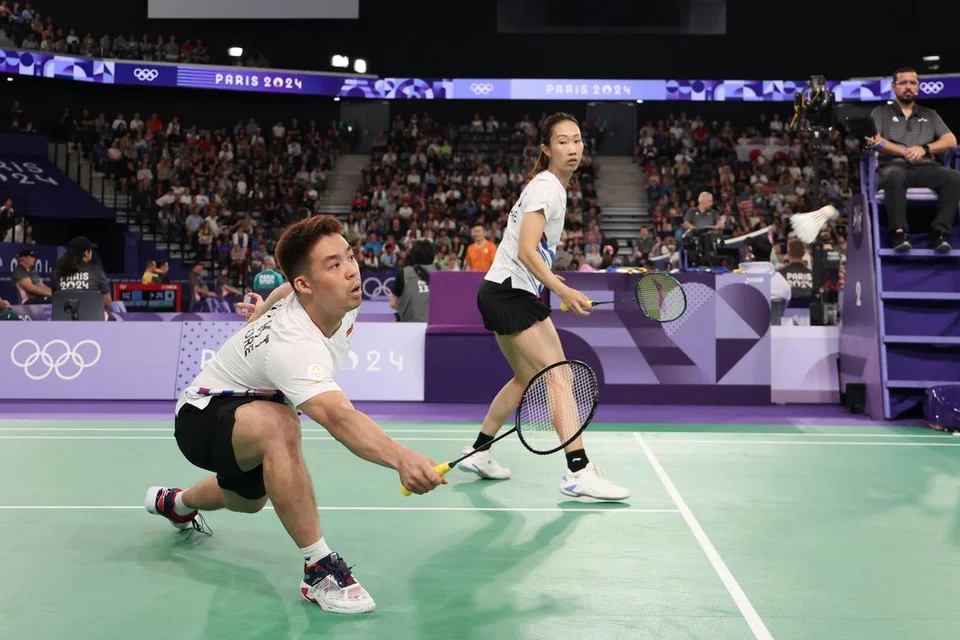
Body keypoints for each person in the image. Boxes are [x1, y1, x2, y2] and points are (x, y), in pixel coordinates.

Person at [145, 215, 446, 614]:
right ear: (309, 285)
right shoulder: (292, 344)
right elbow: (338, 418)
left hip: (249, 411)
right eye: (334, 265)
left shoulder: (334, 296)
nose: (352, 270)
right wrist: (402, 458)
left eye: (349, 257)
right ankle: (319, 569)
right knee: (282, 424)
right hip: (202, 415)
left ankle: (177, 503)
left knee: (247, 500)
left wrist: (262, 308)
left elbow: (289, 282)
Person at [466, 112, 630, 501]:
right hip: (510, 293)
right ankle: (578, 471)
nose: (572, 148)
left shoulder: (552, 187)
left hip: (500, 290)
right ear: (546, 148)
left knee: (527, 379)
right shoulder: (547, 187)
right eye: (562, 142)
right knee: (560, 377)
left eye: (577, 140)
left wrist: (552, 287)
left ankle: (479, 451)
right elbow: (526, 250)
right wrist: (562, 290)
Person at [868, 66, 960, 253]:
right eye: (903, 83)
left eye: (912, 83)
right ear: (894, 87)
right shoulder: (880, 112)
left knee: (954, 178)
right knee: (894, 176)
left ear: (918, 87)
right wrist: (903, 151)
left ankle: (939, 232)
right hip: (893, 166)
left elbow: (951, 140)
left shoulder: (930, 114)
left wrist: (924, 148)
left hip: (925, 167)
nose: (908, 87)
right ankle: (899, 233)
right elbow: (873, 139)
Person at [389, 240, 435, 322]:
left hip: (410, 327)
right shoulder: (444, 271)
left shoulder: (404, 273)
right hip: (438, 327)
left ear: (412, 255)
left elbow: (393, 303)